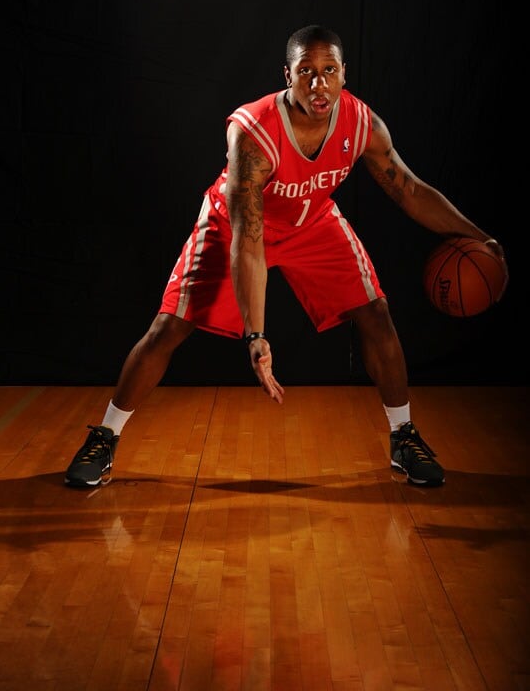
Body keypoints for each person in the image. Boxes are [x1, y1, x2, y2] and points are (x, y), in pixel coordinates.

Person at [65, 24, 506, 489]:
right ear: (288, 75)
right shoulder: (254, 134)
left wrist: (481, 238)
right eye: (306, 72)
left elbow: (410, 190)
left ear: (343, 74)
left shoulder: (361, 124)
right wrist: (256, 336)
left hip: (311, 220)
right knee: (168, 327)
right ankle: (105, 437)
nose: (319, 84)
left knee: (376, 311)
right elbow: (247, 238)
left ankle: (404, 437)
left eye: (329, 71)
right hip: (233, 226)